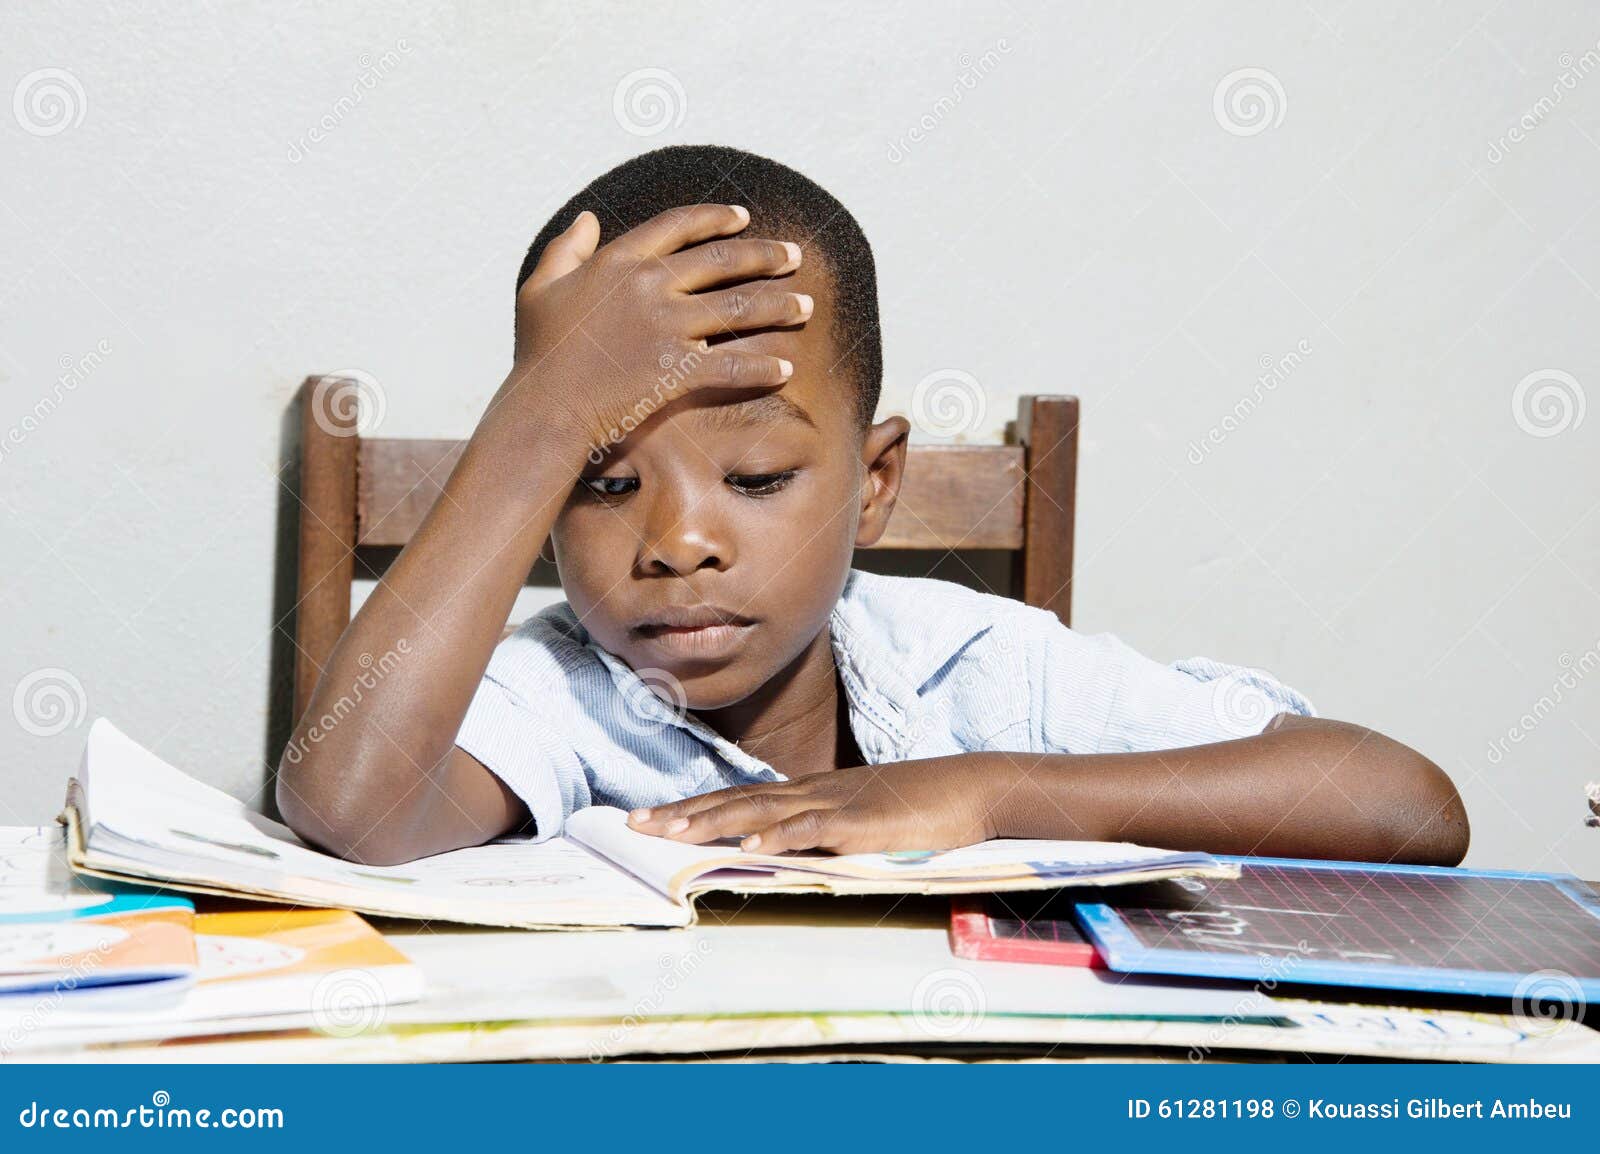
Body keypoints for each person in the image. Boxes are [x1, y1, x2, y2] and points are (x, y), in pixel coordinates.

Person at [276, 145, 1469, 868]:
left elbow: (1407, 804)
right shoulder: (562, 693)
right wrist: (541, 416)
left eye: (756, 479)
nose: (677, 543)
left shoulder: (972, 667)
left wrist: (990, 792)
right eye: (603, 482)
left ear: (876, 483)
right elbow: (349, 804)